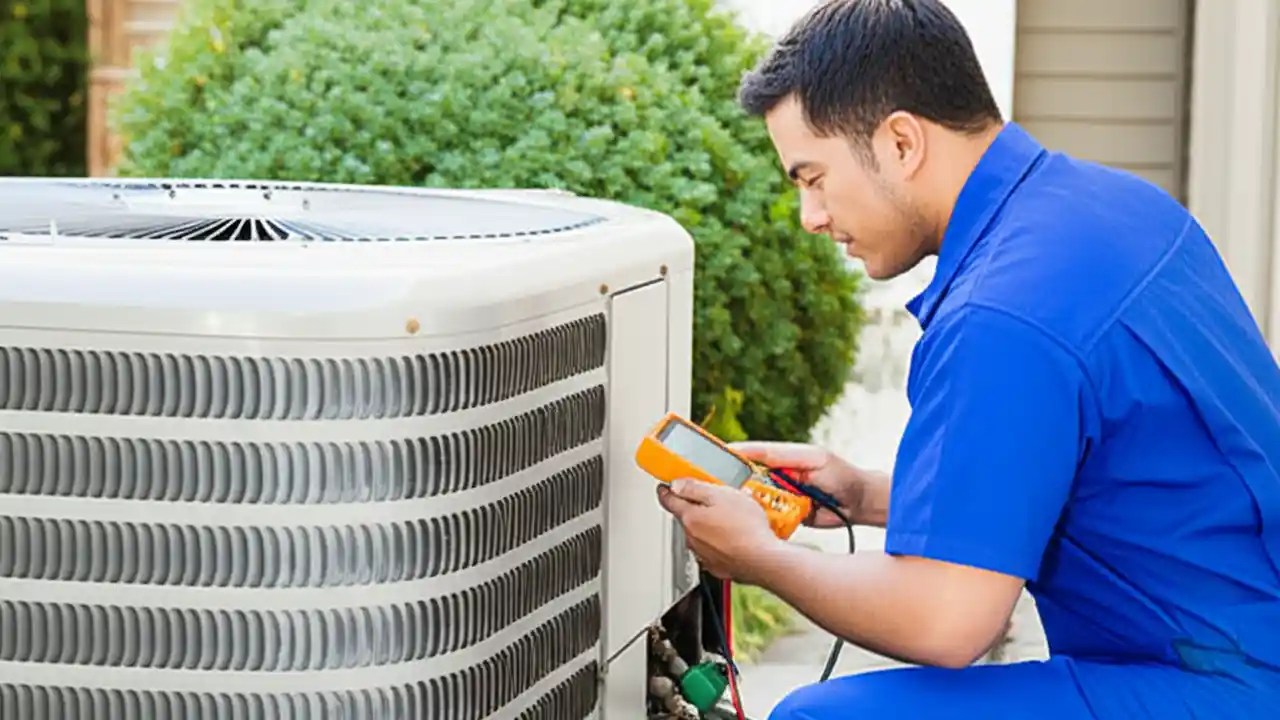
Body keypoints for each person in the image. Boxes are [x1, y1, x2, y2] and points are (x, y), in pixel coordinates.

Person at [655, 0, 1280, 717]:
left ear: (900, 143)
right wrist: (865, 495)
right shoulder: (1113, 209)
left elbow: (945, 619)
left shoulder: (1001, 313)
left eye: (812, 177)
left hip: (1228, 685)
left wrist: (761, 558)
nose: (812, 217)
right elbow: (1096, 472)